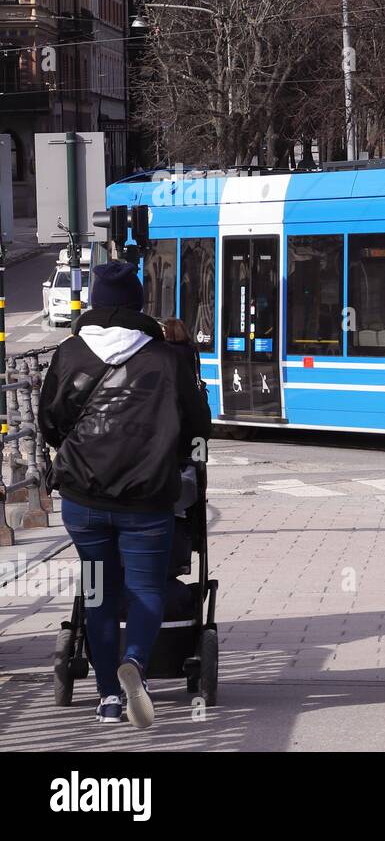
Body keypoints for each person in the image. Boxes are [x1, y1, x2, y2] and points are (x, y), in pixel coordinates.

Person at [39, 261, 212, 728]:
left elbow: (49, 423)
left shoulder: (70, 352)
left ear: (93, 302)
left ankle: (108, 698)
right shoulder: (168, 357)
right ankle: (135, 661)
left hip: (84, 501)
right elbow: (199, 427)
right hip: (147, 498)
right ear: (139, 303)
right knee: (145, 588)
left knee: (96, 590)